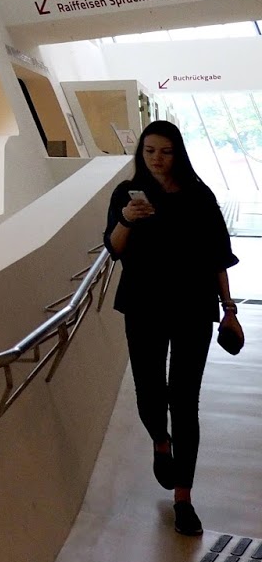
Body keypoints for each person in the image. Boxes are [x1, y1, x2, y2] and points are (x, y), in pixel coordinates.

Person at [104, 120, 243, 537]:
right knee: (150, 393)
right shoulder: (127, 194)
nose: (157, 159)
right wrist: (127, 218)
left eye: (165, 151)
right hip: (143, 306)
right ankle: (160, 442)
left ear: (178, 153)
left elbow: (218, 256)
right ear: (141, 153)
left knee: (184, 401)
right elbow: (113, 247)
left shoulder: (200, 196)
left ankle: (184, 497)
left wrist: (229, 308)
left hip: (193, 308)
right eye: (149, 151)